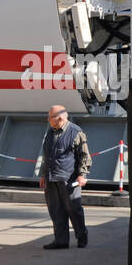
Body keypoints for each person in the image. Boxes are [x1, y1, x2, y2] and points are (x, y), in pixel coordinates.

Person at [38, 104, 92, 249]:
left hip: (69, 180)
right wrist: (43, 175)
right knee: (56, 210)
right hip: (51, 178)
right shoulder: (50, 132)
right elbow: (46, 156)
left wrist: (82, 175)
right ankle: (61, 241)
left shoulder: (76, 132)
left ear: (60, 118)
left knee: (73, 209)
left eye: (50, 117)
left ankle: (82, 236)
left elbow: (84, 155)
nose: (48, 120)